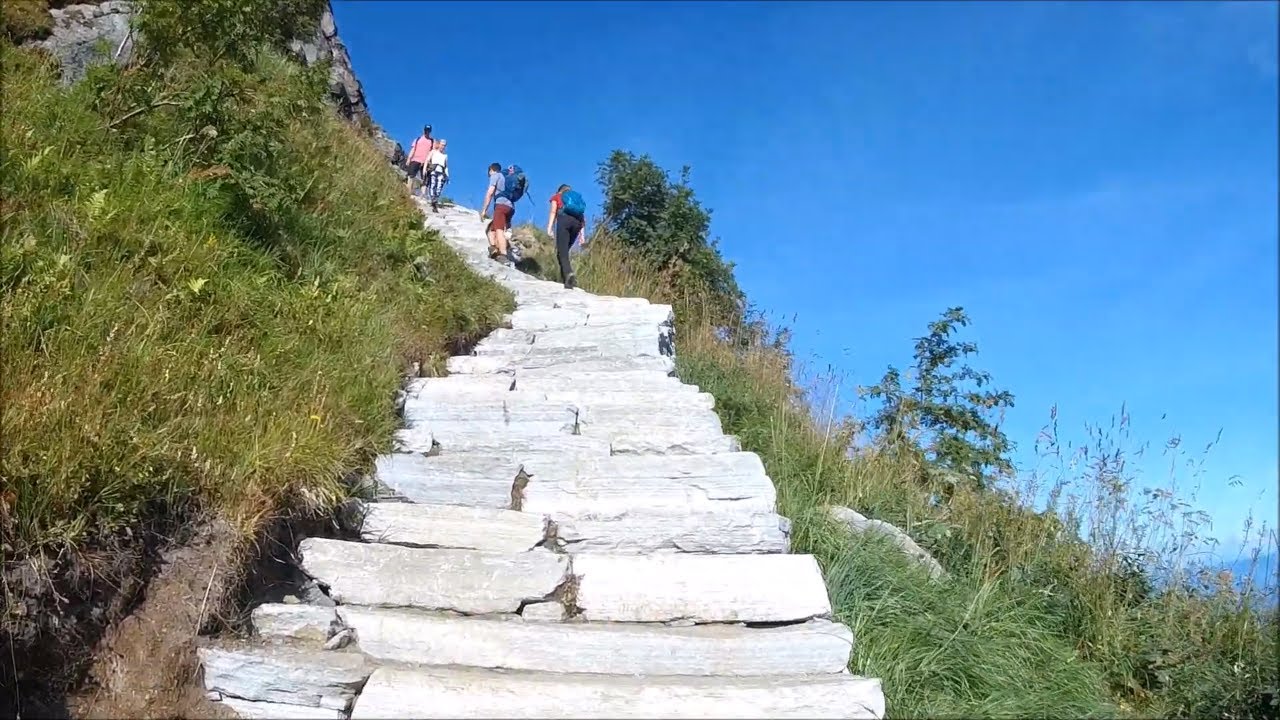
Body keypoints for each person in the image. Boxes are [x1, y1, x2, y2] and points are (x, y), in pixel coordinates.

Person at [546, 184, 586, 289]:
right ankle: (567, 280)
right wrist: (582, 235)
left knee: (562, 252)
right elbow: (582, 217)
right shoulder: (576, 200)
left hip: (564, 221)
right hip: (577, 224)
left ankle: (568, 274)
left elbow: (553, 212)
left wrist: (549, 228)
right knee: (564, 251)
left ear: (559, 191)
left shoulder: (557, 197)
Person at [480, 162, 512, 262]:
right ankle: (494, 248)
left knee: (499, 229)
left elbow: (490, 193)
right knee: (492, 230)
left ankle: (503, 255)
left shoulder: (495, 176)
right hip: (510, 207)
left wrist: (484, 210)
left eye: (489, 173)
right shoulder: (506, 177)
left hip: (501, 206)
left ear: (491, 170)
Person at [405, 125, 433, 195]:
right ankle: (409, 192)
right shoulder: (418, 139)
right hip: (415, 159)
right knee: (411, 175)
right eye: (426, 130)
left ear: (430, 131)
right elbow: (413, 149)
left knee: (425, 179)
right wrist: (409, 158)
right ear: (424, 130)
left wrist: (430, 162)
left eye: (428, 131)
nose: (427, 132)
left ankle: (423, 195)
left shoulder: (432, 141)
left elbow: (432, 152)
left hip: (426, 162)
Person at [424, 138, 449, 212]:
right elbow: (427, 160)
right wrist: (424, 169)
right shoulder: (433, 152)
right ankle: (433, 200)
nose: (442, 146)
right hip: (433, 170)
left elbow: (446, 166)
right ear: (439, 145)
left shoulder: (445, 156)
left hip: (441, 171)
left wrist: (447, 175)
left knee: (438, 187)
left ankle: (435, 199)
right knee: (432, 185)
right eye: (442, 145)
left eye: (444, 145)